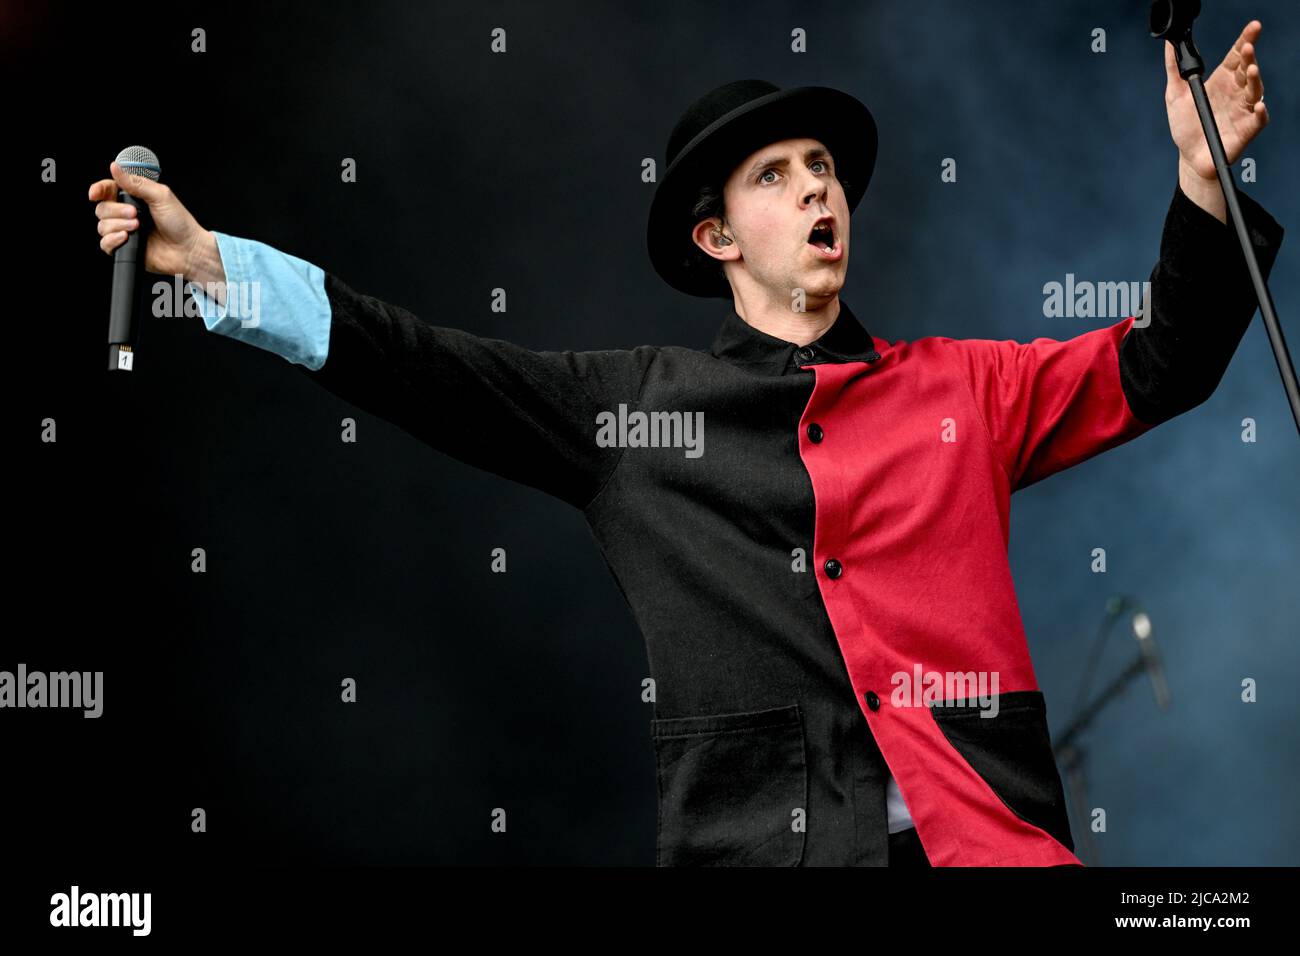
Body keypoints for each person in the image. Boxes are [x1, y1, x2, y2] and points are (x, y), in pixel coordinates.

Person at [89, 23, 1282, 866]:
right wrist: (213, 268)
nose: (819, 190)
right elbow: (426, 366)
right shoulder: (638, 414)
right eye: (778, 175)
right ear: (717, 234)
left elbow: (1160, 363)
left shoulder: (963, 385)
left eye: (823, 168)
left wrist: (1198, 181)